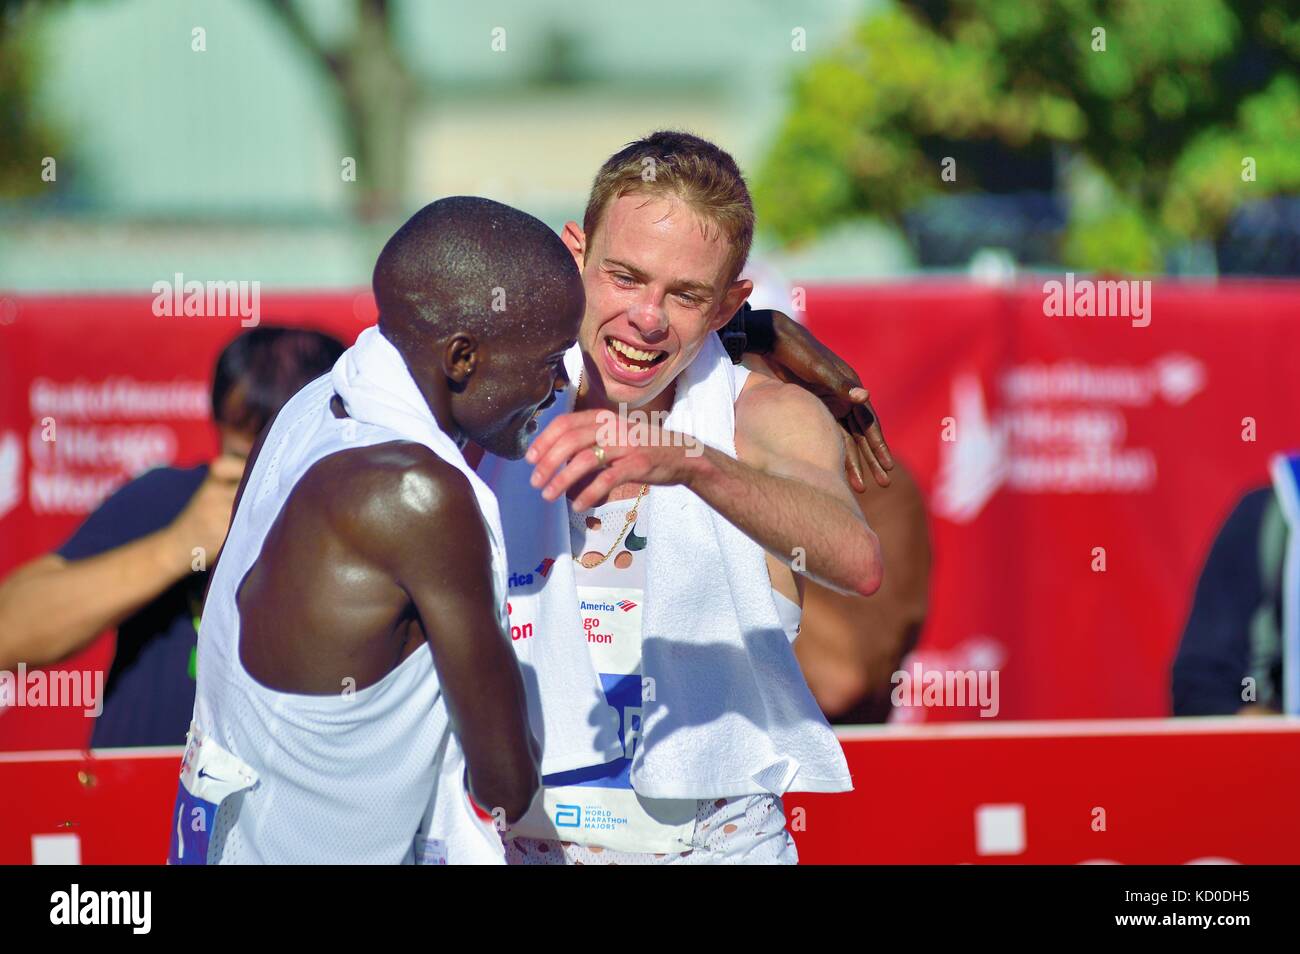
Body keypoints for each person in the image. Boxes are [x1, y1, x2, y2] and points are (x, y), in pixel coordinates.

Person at [480, 131, 884, 865]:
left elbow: (858, 562)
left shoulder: (762, 416)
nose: (648, 317)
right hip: (519, 846)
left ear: (730, 301)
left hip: (717, 847)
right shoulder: (489, 398)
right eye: (625, 277)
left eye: (687, 294)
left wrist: (694, 464)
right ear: (576, 255)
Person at [169, 196, 579, 865]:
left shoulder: (305, 410)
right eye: (550, 360)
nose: (558, 384)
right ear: (462, 358)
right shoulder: (420, 497)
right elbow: (506, 784)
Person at [0, 327, 345, 747]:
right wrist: (179, 545)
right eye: (242, 463)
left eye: (281, 466)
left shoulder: (357, 524)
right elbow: (9, 633)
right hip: (136, 797)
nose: (258, 488)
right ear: (219, 429)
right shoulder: (169, 499)